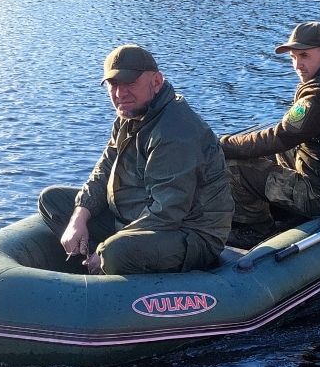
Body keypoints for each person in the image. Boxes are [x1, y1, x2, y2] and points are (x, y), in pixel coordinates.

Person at [38, 44, 233, 274]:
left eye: (130, 83)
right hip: (137, 215)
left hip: (189, 233)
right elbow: (104, 169)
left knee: (114, 253)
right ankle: (102, 263)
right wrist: (79, 216)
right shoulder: (129, 114)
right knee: (51, 200)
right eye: (113, 84)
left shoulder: (175, 131)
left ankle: (112, 266)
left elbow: (167, 212)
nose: (120, 93)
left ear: (157, 82)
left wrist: (106, 250)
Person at [220, 22, 320, 248]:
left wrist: (223, 144)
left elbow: (279, 136)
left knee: (234, 165)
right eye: (293, 57)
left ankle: (255, 229)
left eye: (304, 56)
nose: (298, 65)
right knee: (271, 151)